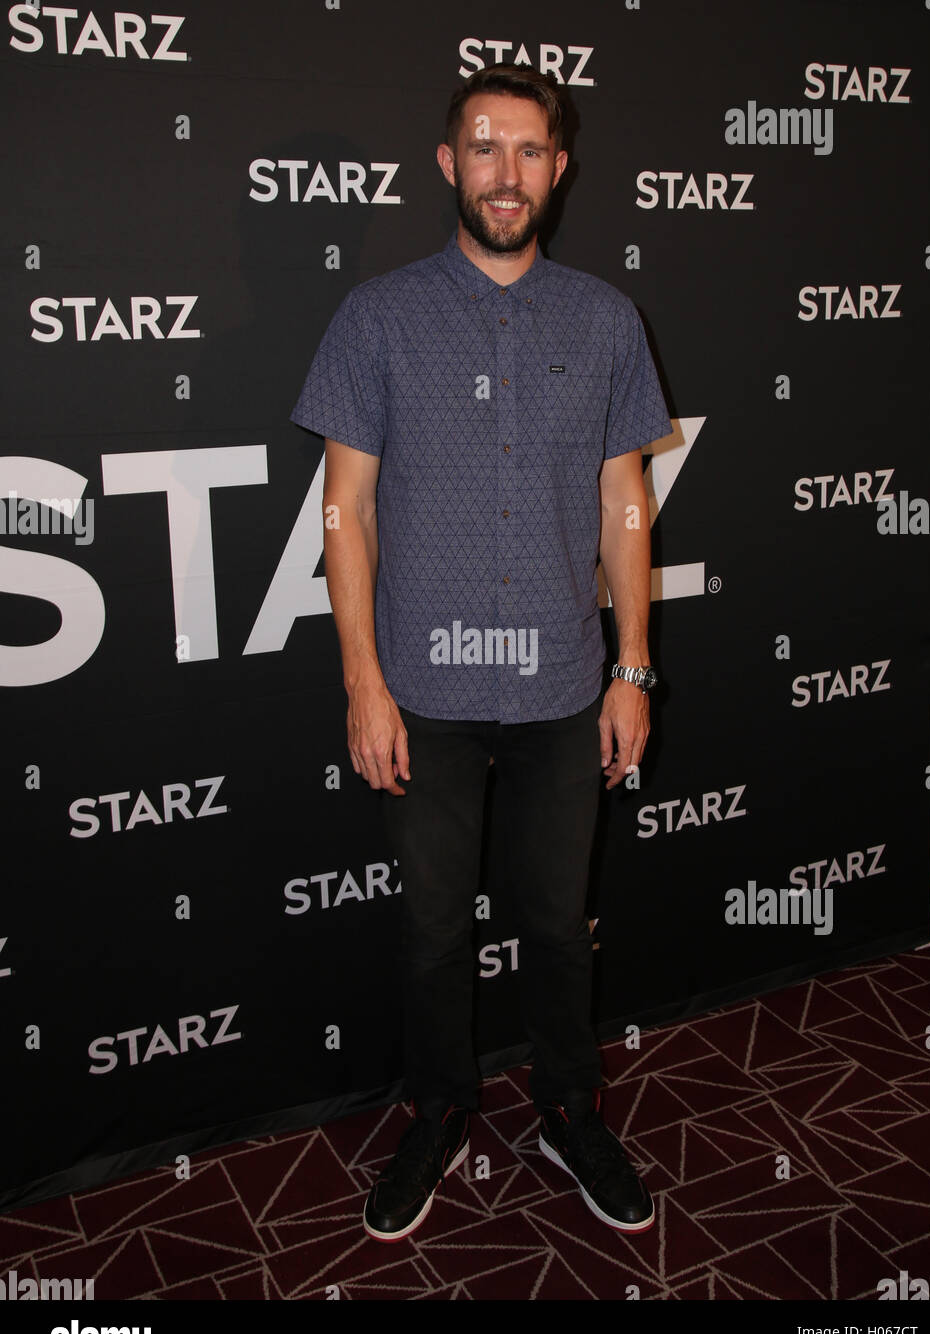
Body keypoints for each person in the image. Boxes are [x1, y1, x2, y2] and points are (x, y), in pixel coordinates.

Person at [291, 63, 671, 1242]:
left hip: (565, 688)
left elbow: (624, 504)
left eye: (529, 151)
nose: (505, 173)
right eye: (483, 147)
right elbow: (341, 508)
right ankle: (439, 1106)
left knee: (558, 923)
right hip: (423, 688)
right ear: (447, 163)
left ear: (557, 170)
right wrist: (362, 681)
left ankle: (566, 1107)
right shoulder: (377, 315)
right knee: (433, 928)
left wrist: (632, 666)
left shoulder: (606, 319)